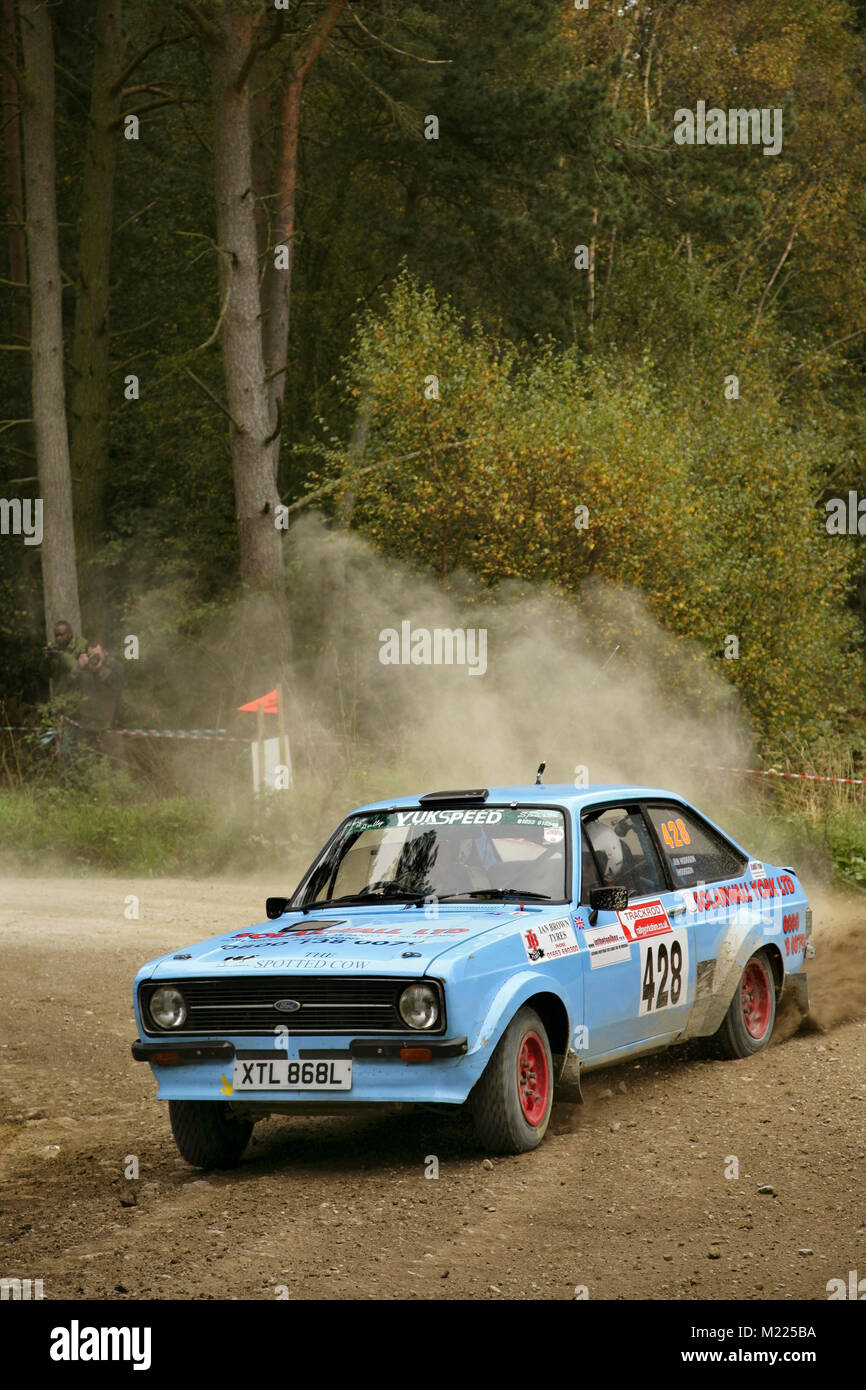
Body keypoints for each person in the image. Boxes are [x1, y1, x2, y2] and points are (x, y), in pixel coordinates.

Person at [43, 620, 88, 700]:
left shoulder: (81, 644)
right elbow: (48, 674)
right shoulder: (55, 647)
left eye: (61, 635)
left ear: (70, 634)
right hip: (59, 698)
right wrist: (46, 660)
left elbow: (78, 668)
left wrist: (62, 655)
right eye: (56, 635)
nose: (58, 638)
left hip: (78, 697)